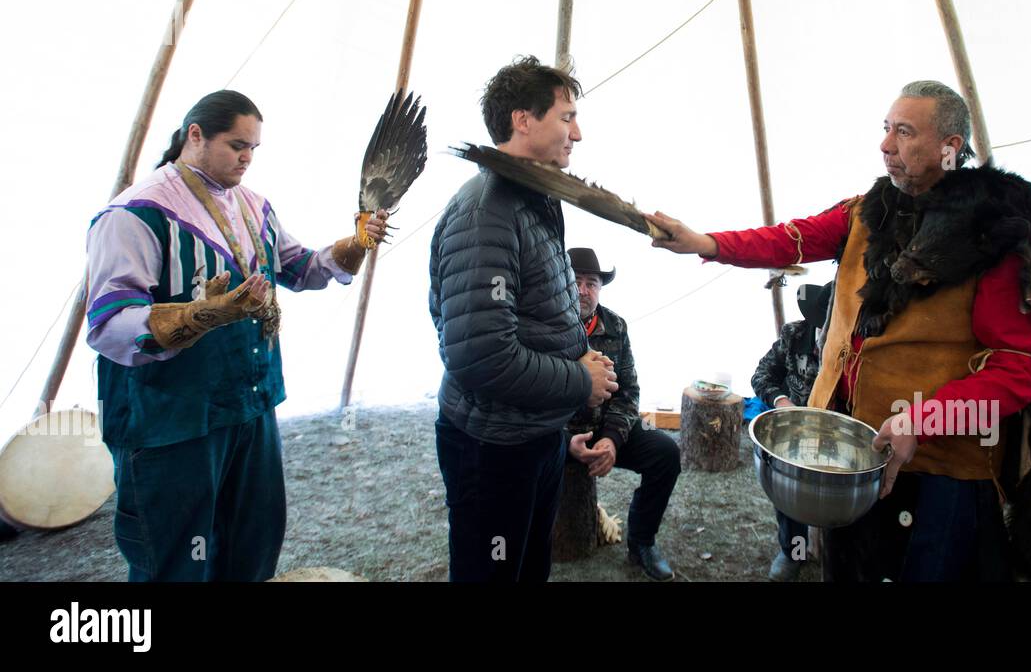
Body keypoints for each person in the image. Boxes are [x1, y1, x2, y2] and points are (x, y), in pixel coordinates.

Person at [648, 80, 1031, 581]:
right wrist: (705, 242)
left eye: (904, 132)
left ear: (949, 149)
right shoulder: (869, 211)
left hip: (941, 465)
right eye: (886, 129)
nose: (886, 145)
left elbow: (1020, 366)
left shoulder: (991, 239)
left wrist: (922, 422)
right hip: (855, 451)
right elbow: (790, 239)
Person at [86, 90, 387, 582]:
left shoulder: (254, 207)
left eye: (254, 148)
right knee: (177, 559)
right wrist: (204, 314)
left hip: (249, 407)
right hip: (169, 422)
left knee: (253, 543)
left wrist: (352, 246)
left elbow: (301, 268)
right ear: (195, 135)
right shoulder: (136, 214)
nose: (247, 158)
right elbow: (109, 324)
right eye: (236, 145)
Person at [429, 56, 618, 582]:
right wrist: (577, 379)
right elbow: (481, 355)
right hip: (493, 447)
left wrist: (575, 352)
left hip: (535, 431)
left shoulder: (533, 197)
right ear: (523, 120)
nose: (577, 133)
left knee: (527, 567)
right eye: (566, 117)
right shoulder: (487, 210)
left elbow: (533, 309)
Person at [565, 247, 682, 581]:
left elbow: (628, 391)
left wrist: (613, 440)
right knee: (521, 454)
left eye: (592, 283)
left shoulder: (615, 325)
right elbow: (532, 396)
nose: (584, 290)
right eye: (576, 281)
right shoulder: (546, 324)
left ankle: (642, 541)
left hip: (605, 429)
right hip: (557, 436)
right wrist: (566, 441)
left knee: (665, 453)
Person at [751, 281, 830, 581]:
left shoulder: (860, 340)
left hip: (839, 438)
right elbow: (761, 375)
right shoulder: (794, 335)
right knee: (790, 494)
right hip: (796, 435)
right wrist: (781, 401)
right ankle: (793, 552)